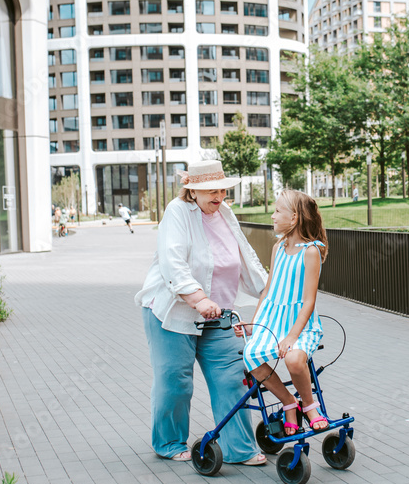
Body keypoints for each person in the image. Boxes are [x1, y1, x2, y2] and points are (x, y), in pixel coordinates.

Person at [135, 160, 268, 465]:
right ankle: (169, 441)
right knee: (176, 382)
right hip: (174, 314)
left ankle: (240, 448)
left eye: (222, 189)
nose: (219, 196)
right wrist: (197, 298)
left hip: (220, 316)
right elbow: (173, 261)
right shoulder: (177, 212)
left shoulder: (225, 213)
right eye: (211, 191)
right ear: (193, 191)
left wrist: (269, 291)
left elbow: (244, 256)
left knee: (232, 379)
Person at [240, 190, 329, 436]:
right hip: (272, 322)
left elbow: (309, 301)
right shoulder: (278, 247)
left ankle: (310, 406)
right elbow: (267, 290)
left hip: (300, 324)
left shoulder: (311, 251)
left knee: (293, 358)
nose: (272, 215)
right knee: (251, 356)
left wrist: (291, 337)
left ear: (294, 218)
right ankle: (290, 402)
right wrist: (255, 324)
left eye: (278, 211)